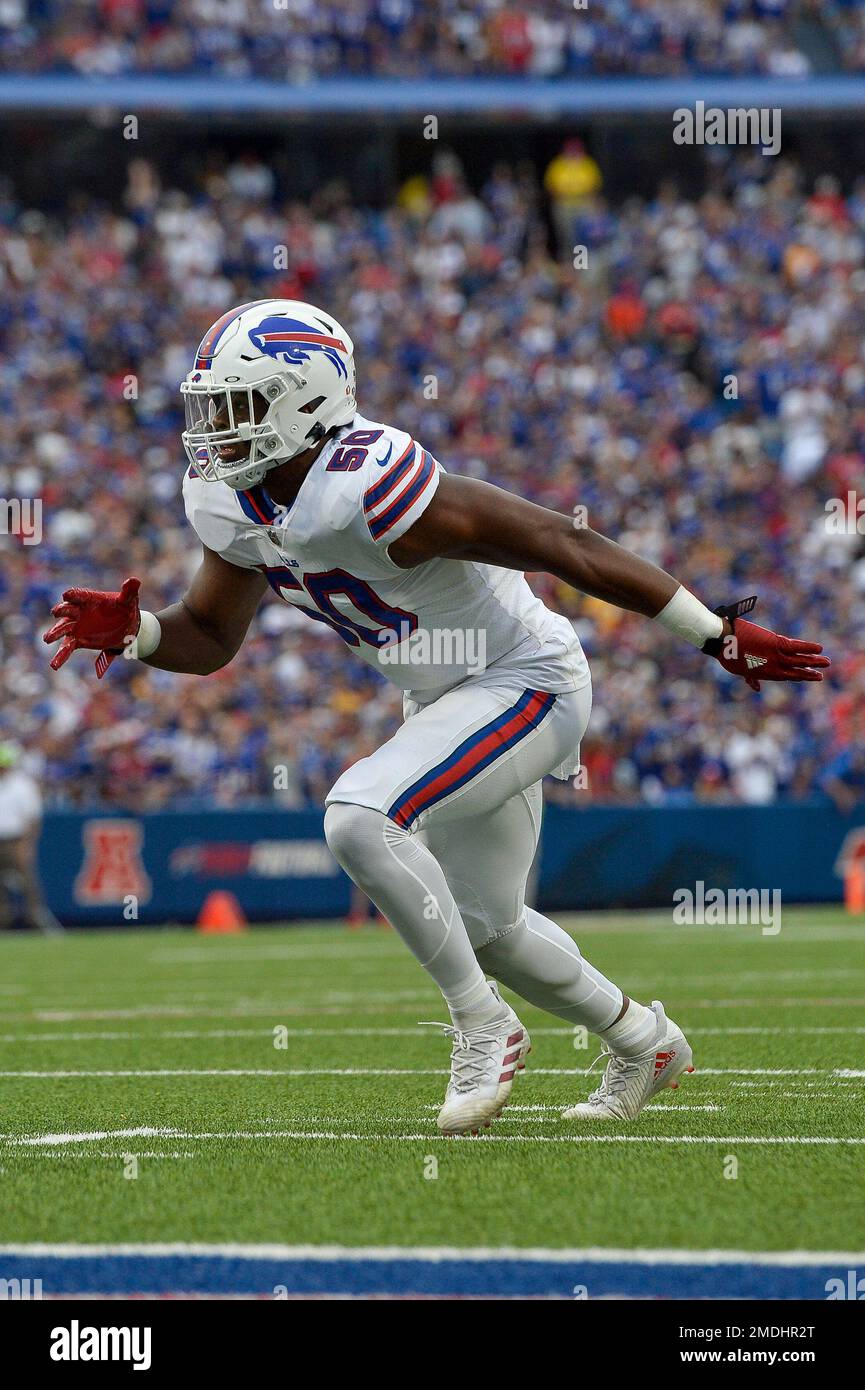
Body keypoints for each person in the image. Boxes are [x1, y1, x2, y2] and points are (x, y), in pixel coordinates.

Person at [43, 298, 829, 1134]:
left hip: (524, 680)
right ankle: (644, 1039)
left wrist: (712, 634)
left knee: (358, 815)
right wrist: (140, 634)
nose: (214, 430)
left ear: (305, 398)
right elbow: (208, 634)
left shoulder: (370, 482)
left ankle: (481, 1024)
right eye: (209, 408)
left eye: (236, 406)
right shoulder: (229, 501)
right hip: (443, 695)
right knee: (487, 925)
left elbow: (561, 541)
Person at [0, 743, 63, 934]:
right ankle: (3, 920)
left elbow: (32, 818)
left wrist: (26, 844)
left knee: (27, 882)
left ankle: (37, 918)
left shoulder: (22, 784)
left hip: (15, 839)